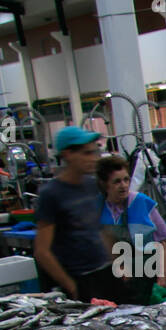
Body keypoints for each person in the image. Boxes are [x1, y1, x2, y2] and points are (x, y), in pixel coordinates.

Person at [34, 127, 124, 302]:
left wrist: (117, 265)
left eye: (95, 152)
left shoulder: (92, 185)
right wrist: (71, 286)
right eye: (87, 154)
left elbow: (102, 230)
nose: (94, 159)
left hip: (105, 274)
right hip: (80, 278)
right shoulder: (52, 194)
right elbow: (42, 251)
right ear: (68, 154)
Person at [98, 154, 166, 303]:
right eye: (117, 181)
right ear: (105, 184)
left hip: (149, 273)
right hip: (120, 276)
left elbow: (162, 241)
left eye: (126, 179)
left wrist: (162, 275)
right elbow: (108, 245)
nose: (124, 185)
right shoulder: (100, 208)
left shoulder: (141, 202)